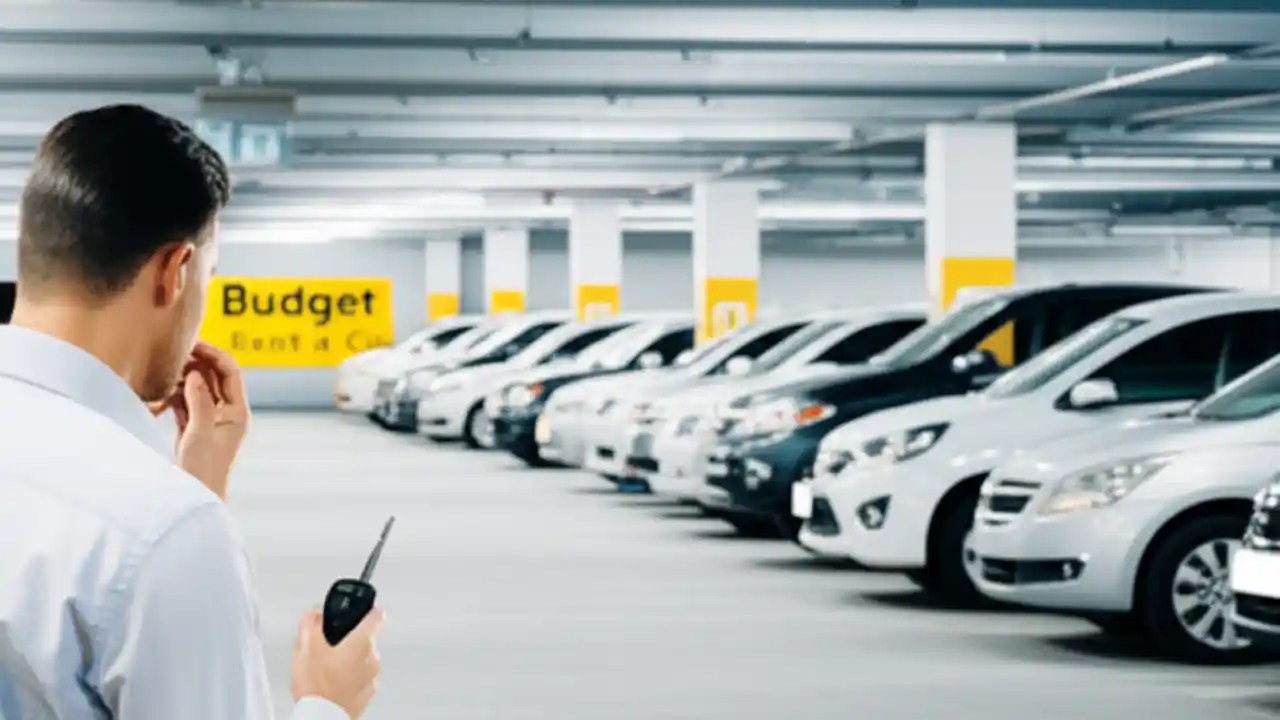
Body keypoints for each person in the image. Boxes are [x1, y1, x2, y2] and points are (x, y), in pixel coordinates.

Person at [0, 105, 384, 719]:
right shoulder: (161, 529)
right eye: (211, 275)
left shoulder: (150, 519)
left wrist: (193, 486)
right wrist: (325, 703)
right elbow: (136, 548)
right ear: (175, 272)